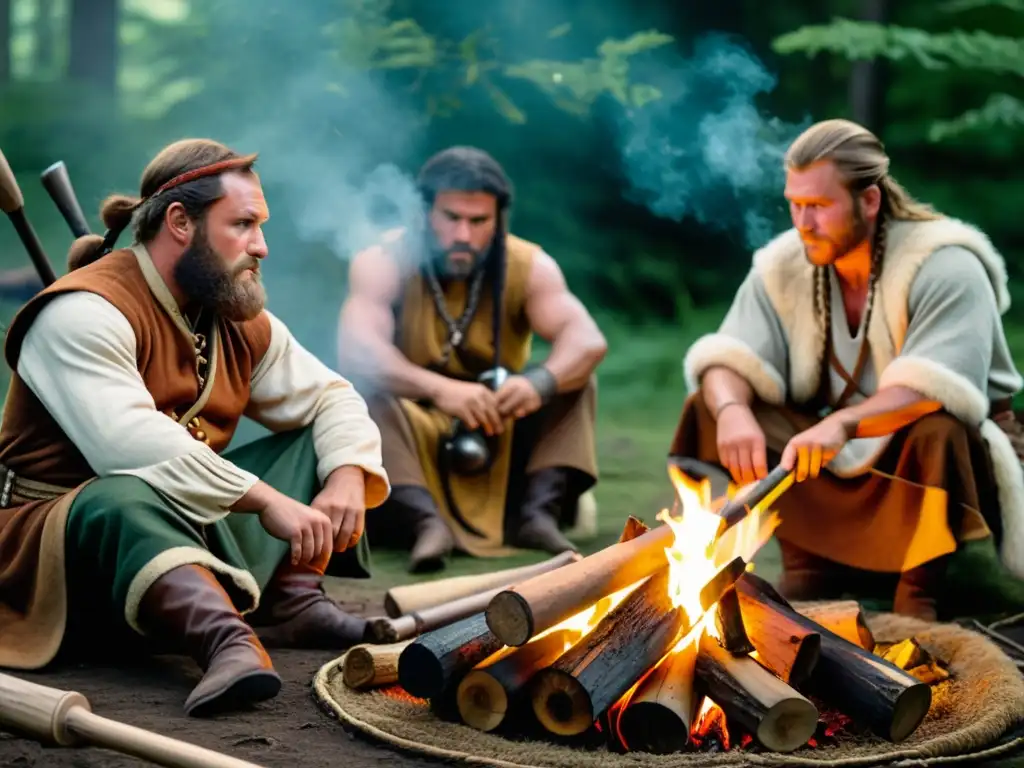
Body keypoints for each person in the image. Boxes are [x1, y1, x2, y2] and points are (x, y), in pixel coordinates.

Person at [0, 139, 391, 717]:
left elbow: (331, 396)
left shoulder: (231, 314)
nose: (261, 246)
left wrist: (347, 475)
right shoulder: (79, 313)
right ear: (180, 222)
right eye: (243, 224)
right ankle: (226, 642)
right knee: (123, 493)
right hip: (57, 556)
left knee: (323, 444)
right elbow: (128, 444)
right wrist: (264, 500)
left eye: (260, 225)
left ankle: (291, 603)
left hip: (183, 521)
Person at [670, 118, 1024, 621]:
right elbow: (729, 354)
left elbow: (938, 389)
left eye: (818, 206)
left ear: (871, 200)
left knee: (939, 428)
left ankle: (919, 588)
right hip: (834, 450)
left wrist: (843, 424)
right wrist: (730, 410)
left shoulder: (946, 265)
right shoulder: (785, 264)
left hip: (934, 452)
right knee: (713, 402)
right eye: (794, 204)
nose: (802, 222)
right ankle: (811, 566)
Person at [337, 146, 606, 573]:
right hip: (412, 425)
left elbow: (587, 341)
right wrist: (441, 390)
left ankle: (538, 516)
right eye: (451, 218)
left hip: (499, 420)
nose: (464, 234)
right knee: (358, 391)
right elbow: (358, 351)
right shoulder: (382, 260)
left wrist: (536, 385)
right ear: (425, 213)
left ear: (497, 220)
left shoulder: (530, 264)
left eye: (479, 221)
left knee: (575, 380)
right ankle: (424, 522)